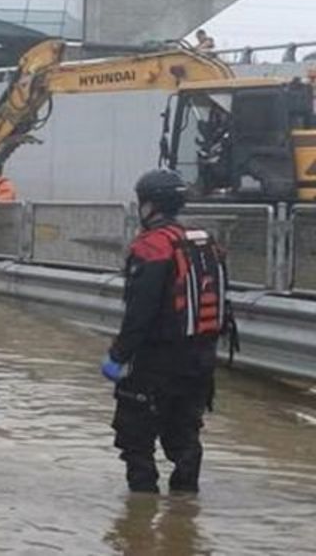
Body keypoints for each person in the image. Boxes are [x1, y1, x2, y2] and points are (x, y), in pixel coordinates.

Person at [101, 169, 238, 494]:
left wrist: (118, 355)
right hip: (201, 361)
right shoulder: (204, 243)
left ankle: (140, 525)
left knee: (135, 439)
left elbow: (140, 313)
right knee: (185, 438)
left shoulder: (151, 247)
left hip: (156, 363)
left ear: (149, 205)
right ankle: (184, 515)